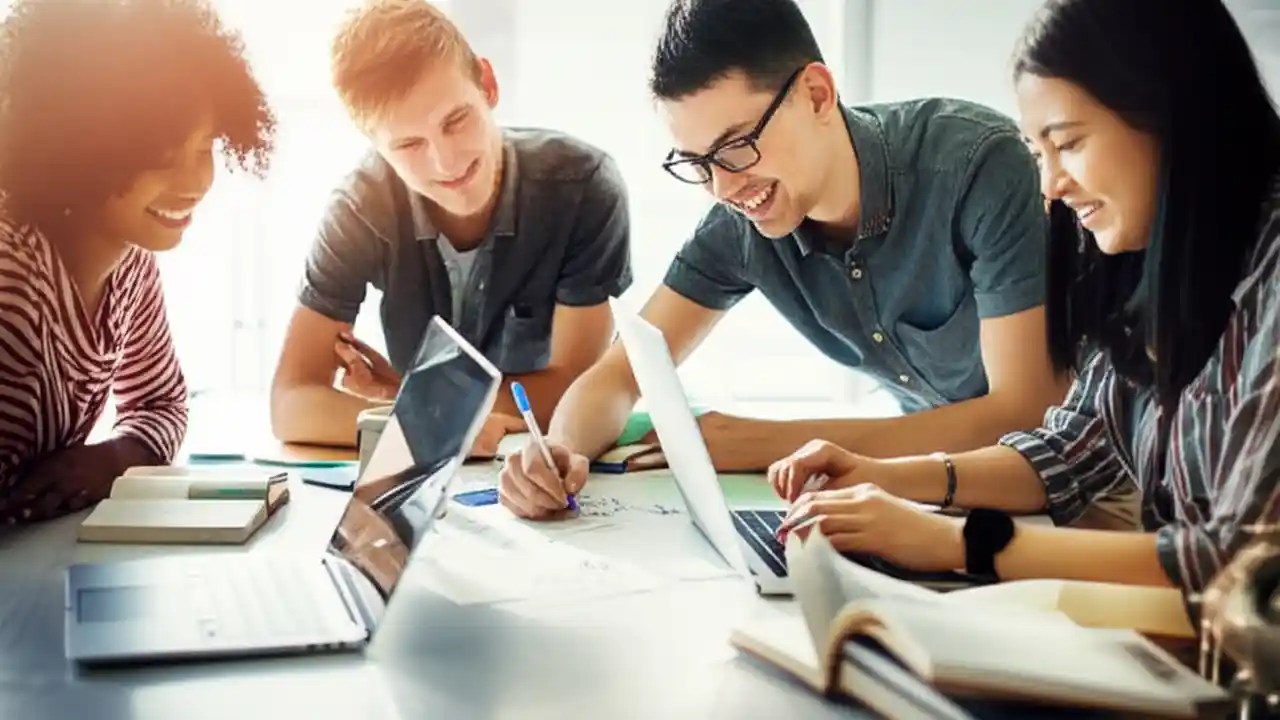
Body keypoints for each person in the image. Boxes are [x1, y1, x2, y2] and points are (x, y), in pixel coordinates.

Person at [768, 0, 1280, 595]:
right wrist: (883, 477)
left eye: (1068, 143)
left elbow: (1242, 563)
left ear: (1173, 113)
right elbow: (1070, 447)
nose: (1051, 185)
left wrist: (956, 542)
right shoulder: (1149, 261)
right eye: (1040, 154)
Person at [500, 0, 1066, 518]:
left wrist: (768, 441)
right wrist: (559, 450)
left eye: (738, 145)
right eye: (697, 163)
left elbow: (1022, 414)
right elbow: (619, 375)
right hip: (938, 493)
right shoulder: (740, 224)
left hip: (1086, 491)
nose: (723, 187)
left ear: (817, 95)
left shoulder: (976, 168)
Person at [270, 0, 632, 456]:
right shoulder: (361, 207)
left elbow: (579, 391)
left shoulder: (583, 186)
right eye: (408, 144)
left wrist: (412, 405)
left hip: (545, 457)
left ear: (488, 84)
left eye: (455, 121)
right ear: (377, 146)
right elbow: (291, 405)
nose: (446, 161)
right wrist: (429, 426)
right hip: (427, 470)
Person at [0, 0, 275, 523]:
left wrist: (109, 459)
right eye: (161, 155)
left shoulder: (130, 264)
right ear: (81, 145)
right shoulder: (12, 277)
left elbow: (162, 406)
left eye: (205, 147)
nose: (195, 183)